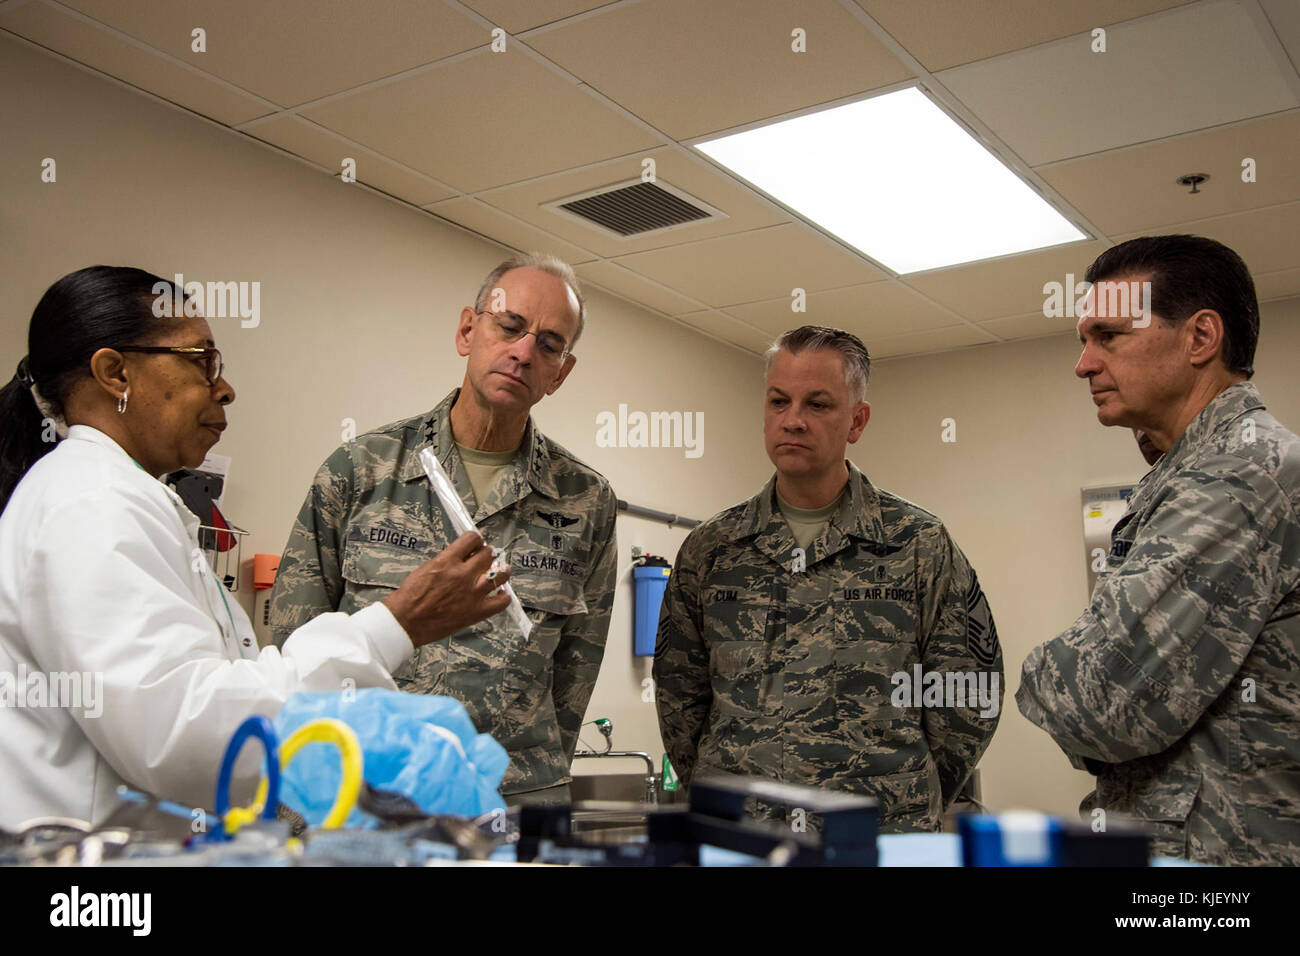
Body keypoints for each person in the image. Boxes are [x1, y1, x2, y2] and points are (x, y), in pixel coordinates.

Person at [0, 266, 510, 830]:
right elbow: (182, 734)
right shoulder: (91, 501)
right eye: (201, 360)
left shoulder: (119, 496)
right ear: (115, 373)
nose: (224, 387)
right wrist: (395, 624)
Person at [270, 253, 618, 804]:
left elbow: (577, 667)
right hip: (371, 786)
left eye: (549, 344)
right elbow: (296, 636)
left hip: (513, 797)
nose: (524, 352)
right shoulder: (360, 469)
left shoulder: (586, 500)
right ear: (467, 330)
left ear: (560, 372)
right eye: (509, 326)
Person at [1017, 234, 1300, 865]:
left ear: (1200, 338)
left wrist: (1037, 672)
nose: (1084, 364)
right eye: (1083, 341)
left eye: (1109, 336)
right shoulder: (1199, 470)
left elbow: (1107, 700)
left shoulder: (1239, 472)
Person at [654, 325, 1002, 831]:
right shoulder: (711, 551)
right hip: (743, 835)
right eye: (779, 401)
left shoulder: (918, 542)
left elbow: (966, 695)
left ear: (856, 421)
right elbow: (678, 699)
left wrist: (904, 794)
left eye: (817, 405)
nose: (793, 420)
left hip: (879, 836)